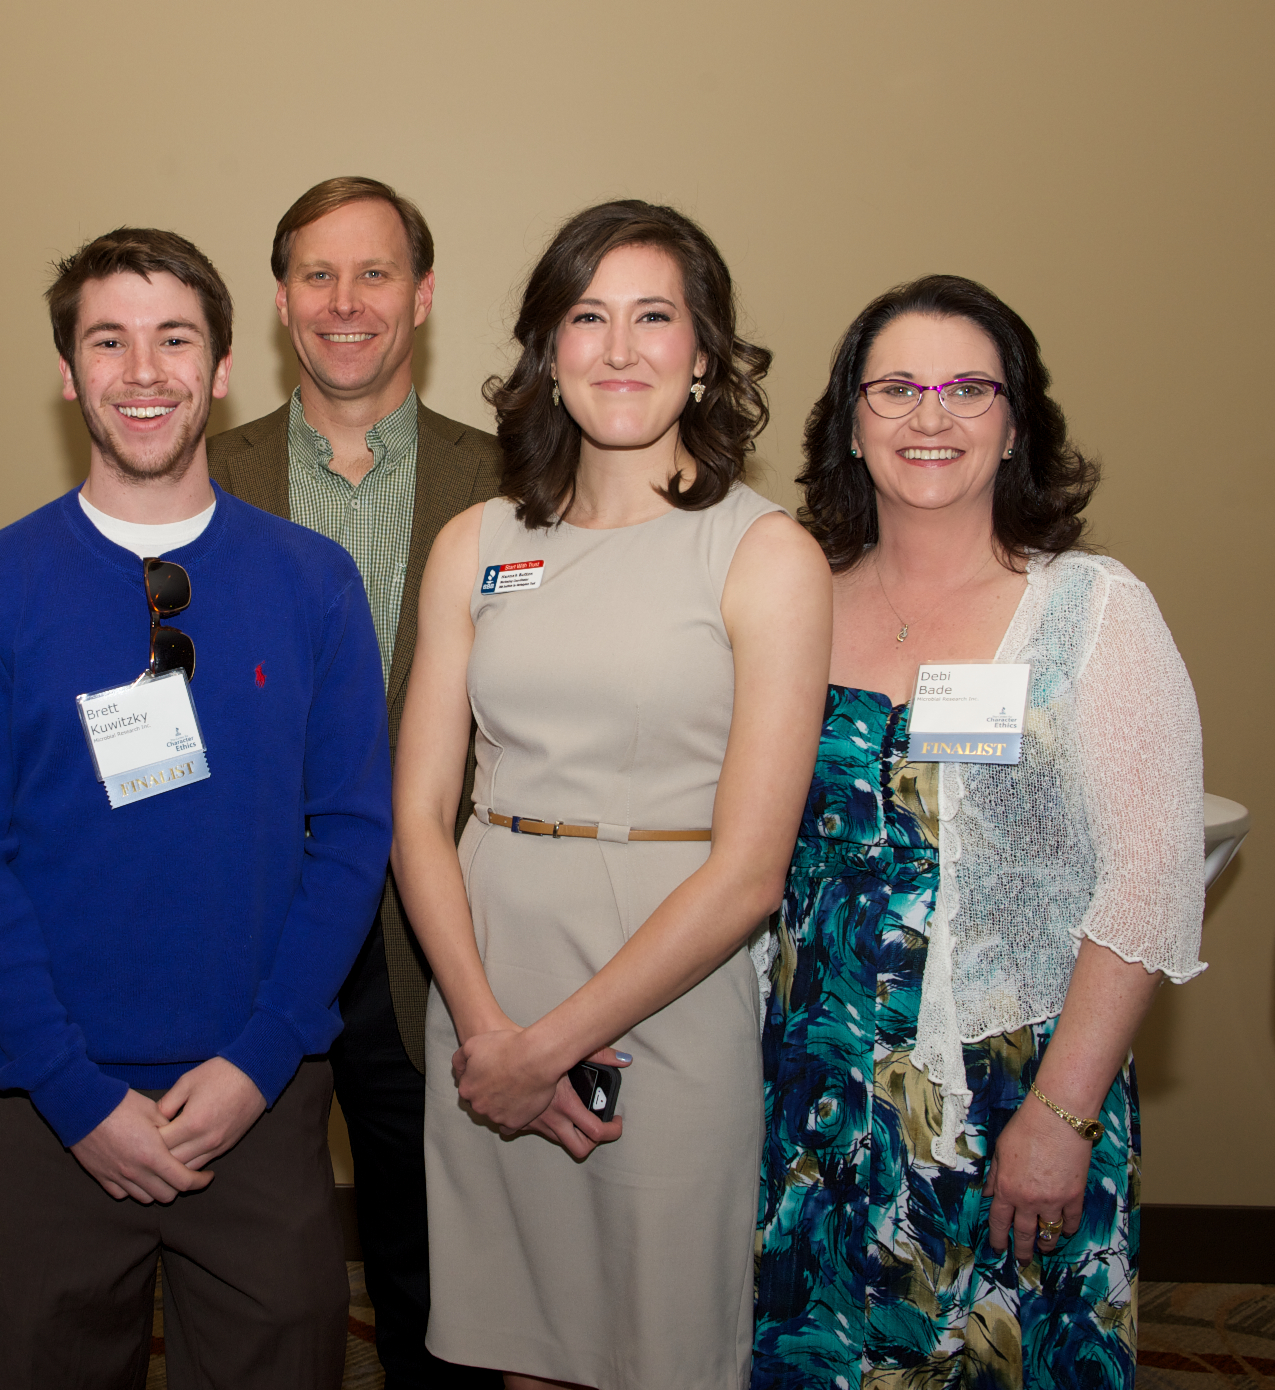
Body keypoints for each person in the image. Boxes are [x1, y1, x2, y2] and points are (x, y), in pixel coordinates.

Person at [0, 227, 392, 1390]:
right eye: (109, 342)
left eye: (174, 339)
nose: (143, 372)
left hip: (262, 1101)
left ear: (224, 368)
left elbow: (353, 839)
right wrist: (75, 1096)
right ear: (67, 374)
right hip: (46, 1116)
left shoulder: (314, 583)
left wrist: (261, 1057)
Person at [392, 199, 831, 1388]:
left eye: (655, 317)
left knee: (662, 1347)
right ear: (548, 350)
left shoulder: (765, 553)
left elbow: (749, 873)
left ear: (704, 355)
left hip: (666, 986)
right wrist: (490, 1033)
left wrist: (554, 1046)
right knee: (522, 1348)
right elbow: (420, 814)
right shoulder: (474, 541)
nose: (622, 348)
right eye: (588, 317)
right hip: (488, 977)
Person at [750, 275, 1206, 1388]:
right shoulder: (790, 600)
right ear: (851, 424)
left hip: (1014, 1089)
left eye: (968, 388)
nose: (931, 417)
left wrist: (1059, 1114)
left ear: (1014, 426)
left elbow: (1150, 878)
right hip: (817, 1096)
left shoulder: (1089, 610)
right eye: (897, 388)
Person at [206, 175, 503, 1389]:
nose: (345, 302)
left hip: (434, 949)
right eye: (316, 275)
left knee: (436, 1274)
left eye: (374, 273)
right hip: (246, 939)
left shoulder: (513, 482)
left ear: (422, 296)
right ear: (281, 302)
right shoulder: (196, 475)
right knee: (242, 1273)